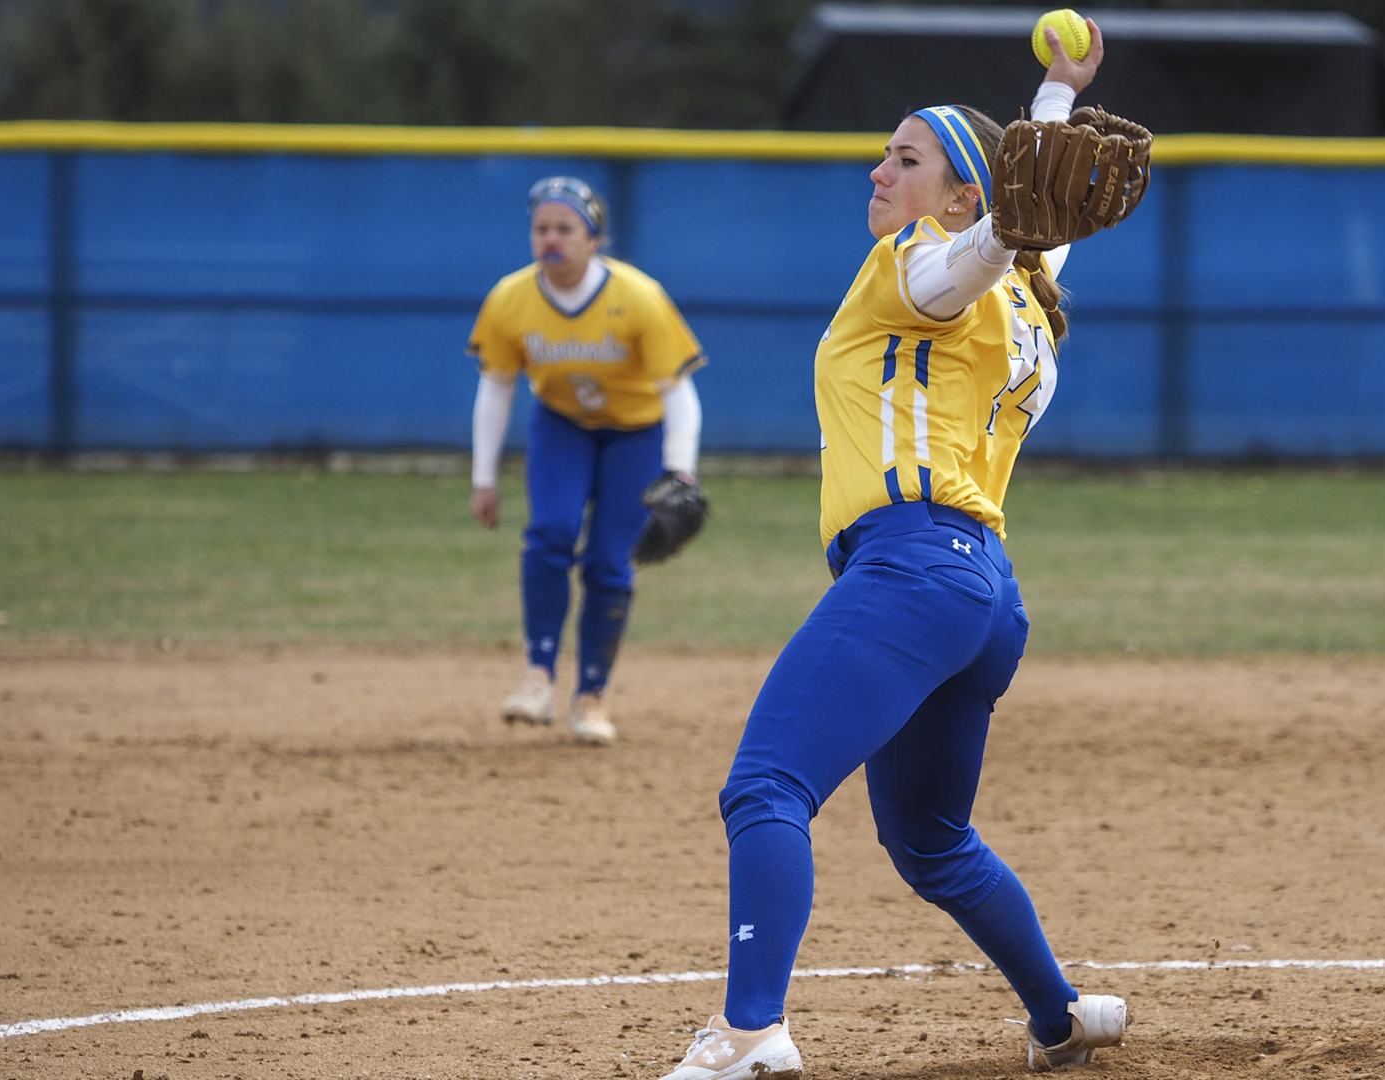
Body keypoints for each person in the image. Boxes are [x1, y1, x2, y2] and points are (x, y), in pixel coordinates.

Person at [657, 21, 1130, 1080]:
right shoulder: (1031, 306)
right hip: (982, 597)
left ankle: (748, 1034)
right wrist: (1052, 95)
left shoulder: (921, 265)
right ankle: (1060, 1017)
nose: (880, 169)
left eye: (904, 158)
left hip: (913, 571)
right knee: (929, 841)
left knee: (766, 787)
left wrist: (1008, 202)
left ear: (961, 196)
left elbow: (971, 256)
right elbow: (1026, 235)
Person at [466, 176, 706, 745]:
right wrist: (483, 479)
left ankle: (590, 696)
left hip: (636, 434)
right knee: (550, 532)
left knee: (608, 562)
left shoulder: (638, 297)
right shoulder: (510, 298)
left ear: (594, 237)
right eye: (541, 227)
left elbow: (679, 394)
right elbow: (496, 387)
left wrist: (680, 470)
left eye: (566, 228)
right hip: (562, 425)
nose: (552, 239)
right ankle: (537, 676)